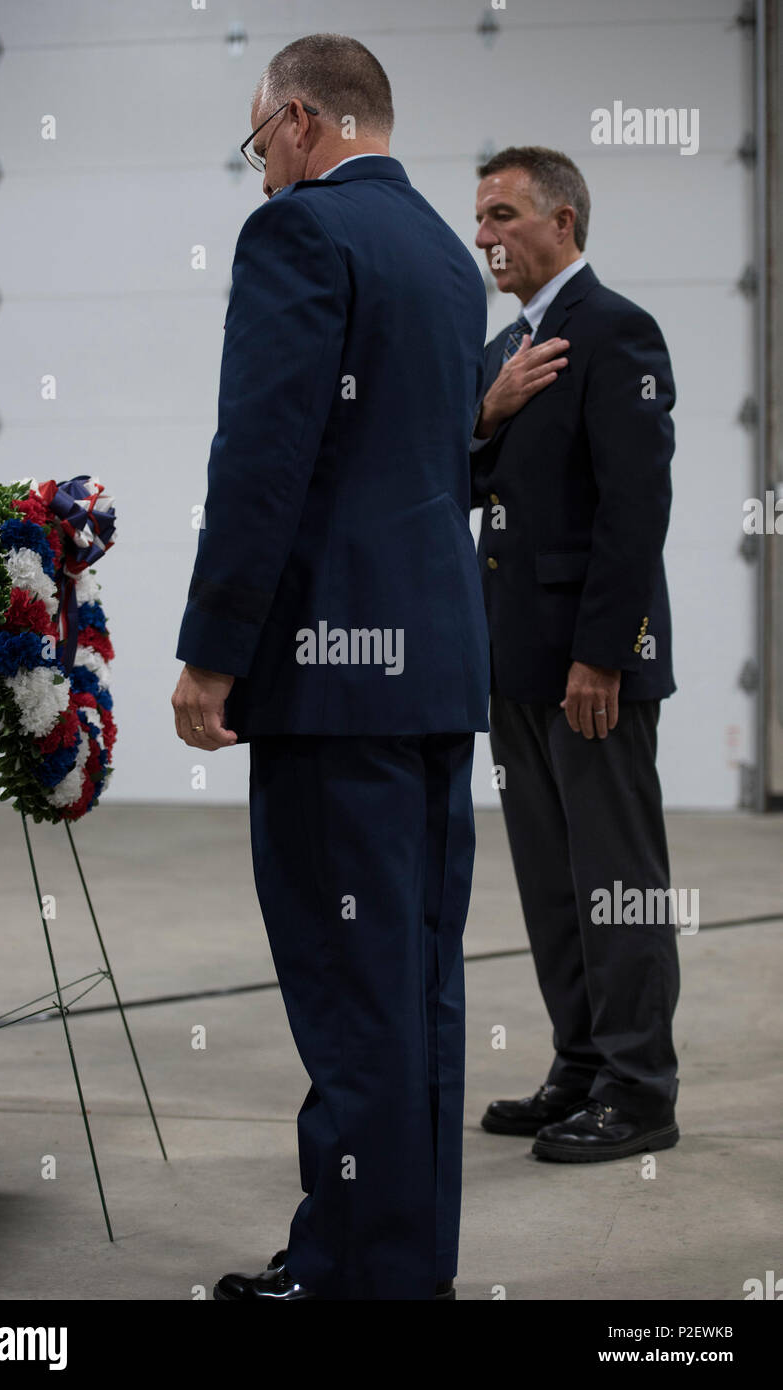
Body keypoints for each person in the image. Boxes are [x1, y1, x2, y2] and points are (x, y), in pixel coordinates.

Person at [171, 33, 490, 1298]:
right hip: (430, 678)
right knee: (414, 985)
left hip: (330, 681)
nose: (260, 178)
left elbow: (263, 460)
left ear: (300, 120)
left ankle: (355, 1275)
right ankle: (405, 1265)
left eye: (259, 148)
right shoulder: (442, 253)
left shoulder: (301, 235)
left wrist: (211, 653)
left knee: (350, 992)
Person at [470, 146, 681, 1162]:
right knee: (552, 882)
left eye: (504, 215)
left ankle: (640, 1087)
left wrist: (602, 654)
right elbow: (460, 481)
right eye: (482, 219)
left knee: (615, 879)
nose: (485, 237)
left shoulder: (614, 330)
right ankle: (581, 1062)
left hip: (591, 666)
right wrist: (489, 407)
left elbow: (637, 511)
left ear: (563, 220)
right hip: (513, 662)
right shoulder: (509, 350)